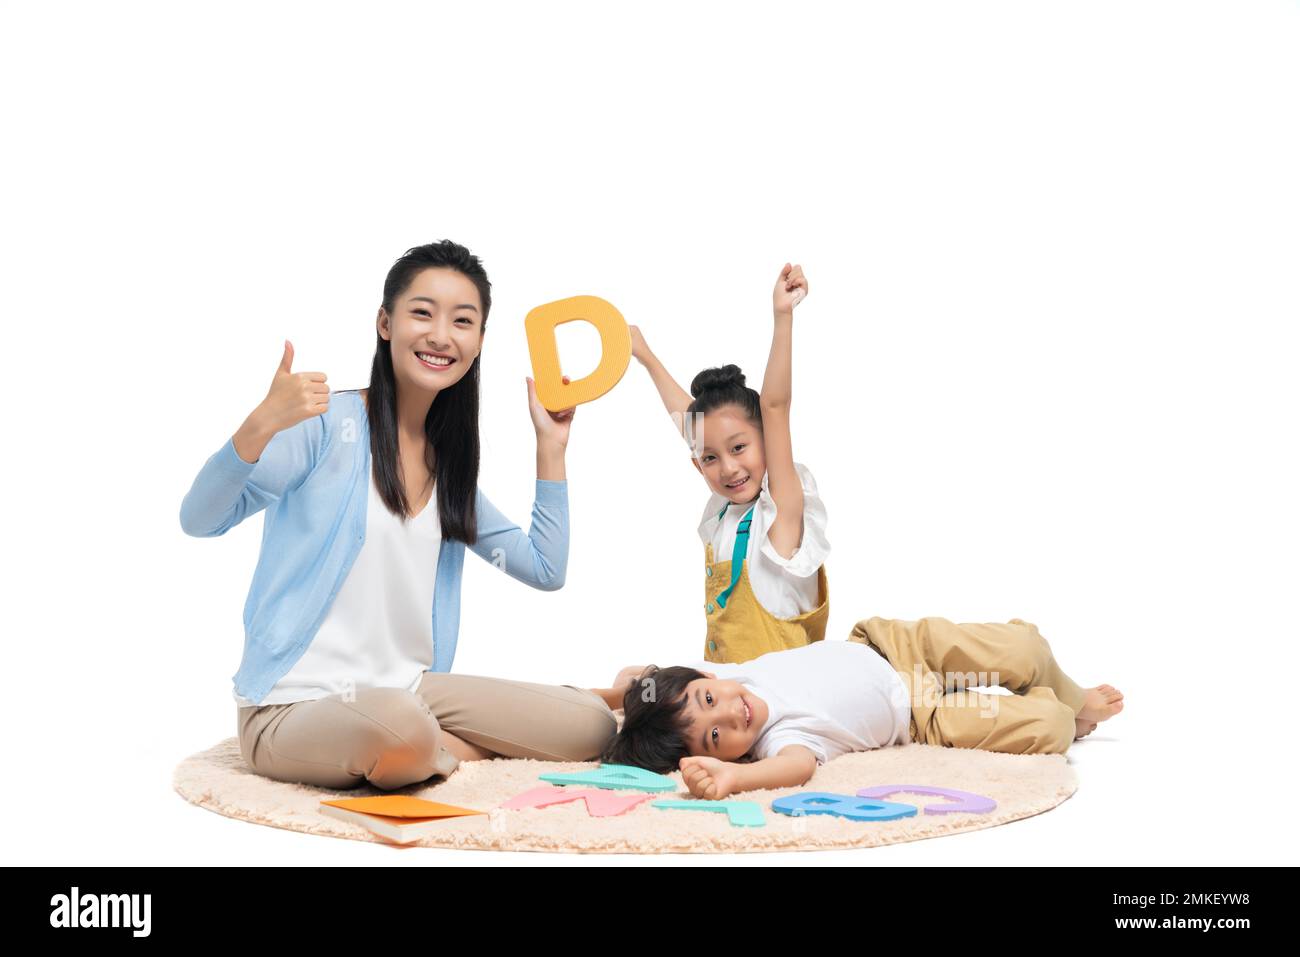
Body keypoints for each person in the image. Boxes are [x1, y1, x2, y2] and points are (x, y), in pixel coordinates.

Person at [179, 240, 617, 791]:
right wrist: (258, 426)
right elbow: (199, 519)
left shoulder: (449, 470)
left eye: (463, 321)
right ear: (385, 323)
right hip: (293, 706)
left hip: (410, 692)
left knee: (591, 724)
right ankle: (439, 747)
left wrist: (551, 447)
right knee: (403, 730)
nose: (441, 335)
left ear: (479, 342)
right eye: (421, 313)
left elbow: (545, 570)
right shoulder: (323, 428)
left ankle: (437, 747)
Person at [597, 617, 1125, 800]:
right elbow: (798, 769)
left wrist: (604, 696)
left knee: (1025, 649)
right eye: (716, 738)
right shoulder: (776, 742)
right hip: (923, 715)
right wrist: (731, 781)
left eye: (710, 701)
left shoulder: (723, 674)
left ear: (707, 678)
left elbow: (636, 680)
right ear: (729, 756)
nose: (732, 716)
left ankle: (1075, 699)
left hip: (895, 647)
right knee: (1049, 725)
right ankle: (1066, 715)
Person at [628, 263, 830, 664]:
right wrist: (645, 356)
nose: (728, 468)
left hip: (782, 709)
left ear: (770, 446)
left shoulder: (781, 514)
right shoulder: (724, 516)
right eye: (710, 459)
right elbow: (692, 427)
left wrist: (783, 317)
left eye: (740, 448)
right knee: (637, 678)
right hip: (725, 704)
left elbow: (774, 406)